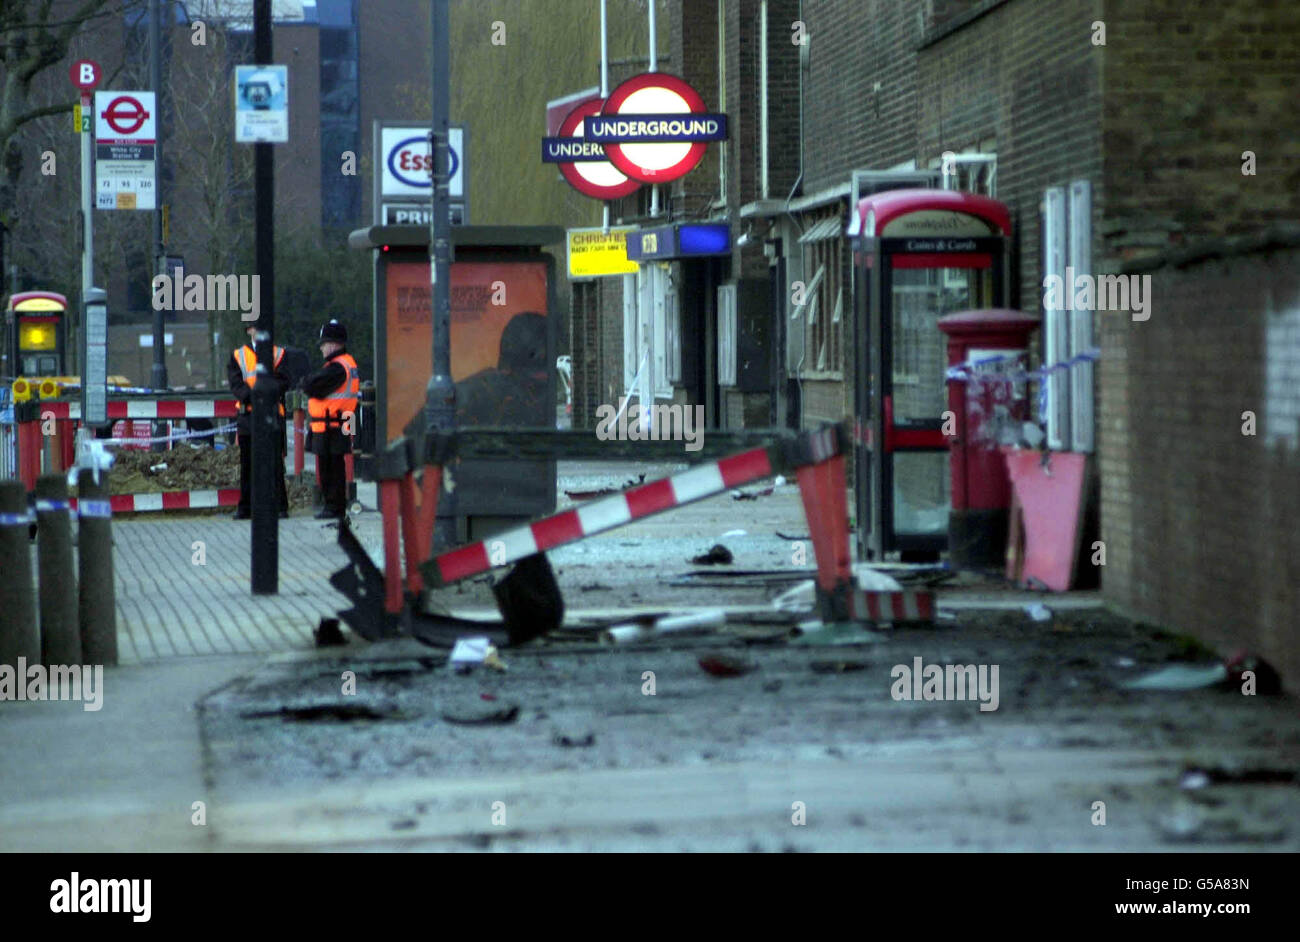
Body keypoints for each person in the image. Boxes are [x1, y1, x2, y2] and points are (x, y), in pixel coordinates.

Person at [226, 324, 290, 519]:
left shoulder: (279, 354)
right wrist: (256, 396)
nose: (257, 329)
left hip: (270, 414)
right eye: (254, 326)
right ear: (248, 330)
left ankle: (279, 507)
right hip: (249, 416)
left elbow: (284, 381)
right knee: (248, 466)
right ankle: (246, 507)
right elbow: (236, 384)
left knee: (274, 464)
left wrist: (262, 394)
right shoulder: (238, 355)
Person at [303, 319, 360, 519]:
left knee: (331, 468)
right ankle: (335, 506)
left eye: (324, 344)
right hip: (340, 421)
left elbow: (311, 386)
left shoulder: (337, 368)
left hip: (331, 424)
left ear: (334, 344)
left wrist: (306, 382)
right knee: (337, 465)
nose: (322, 349)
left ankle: (333, 507)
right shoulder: (346, 364)